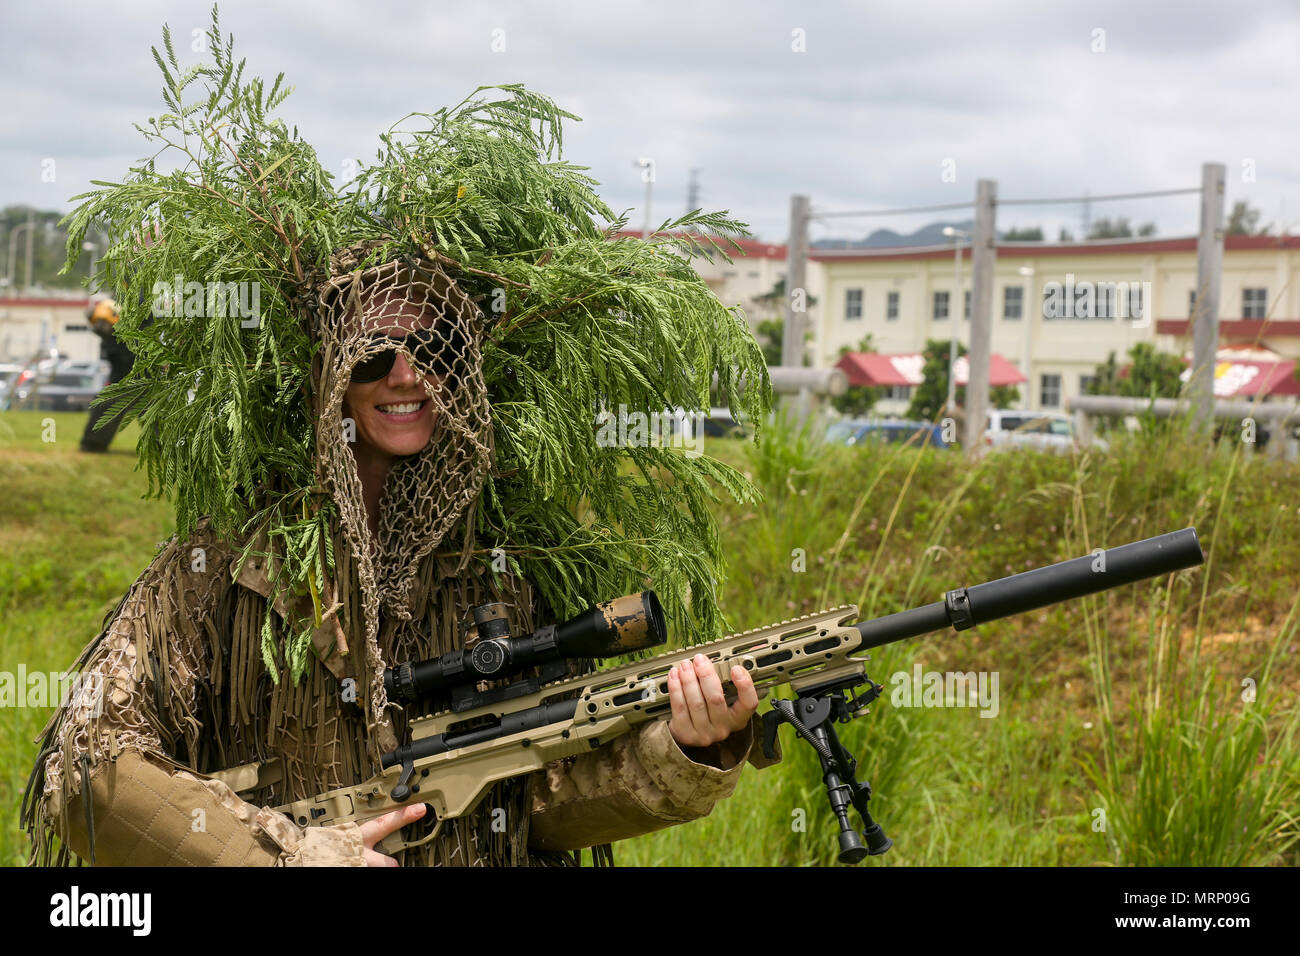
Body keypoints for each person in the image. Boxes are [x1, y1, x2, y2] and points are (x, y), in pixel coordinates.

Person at [23, 248, 773, 867]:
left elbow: (540, 806)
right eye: (373, 354)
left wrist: (681, 749)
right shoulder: (227, 562)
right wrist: (283, 857)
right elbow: (87, 769)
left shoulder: (507, 563)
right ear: (328, 379)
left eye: (436, 349)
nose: (406, 375)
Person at [79, 298, 136, 453]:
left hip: (130, 361)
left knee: (150, 403)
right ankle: (93, 444)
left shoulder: (110, 307)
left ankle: (93, 444)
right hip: (127, 362)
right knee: (152, 404)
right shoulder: (114, 306)